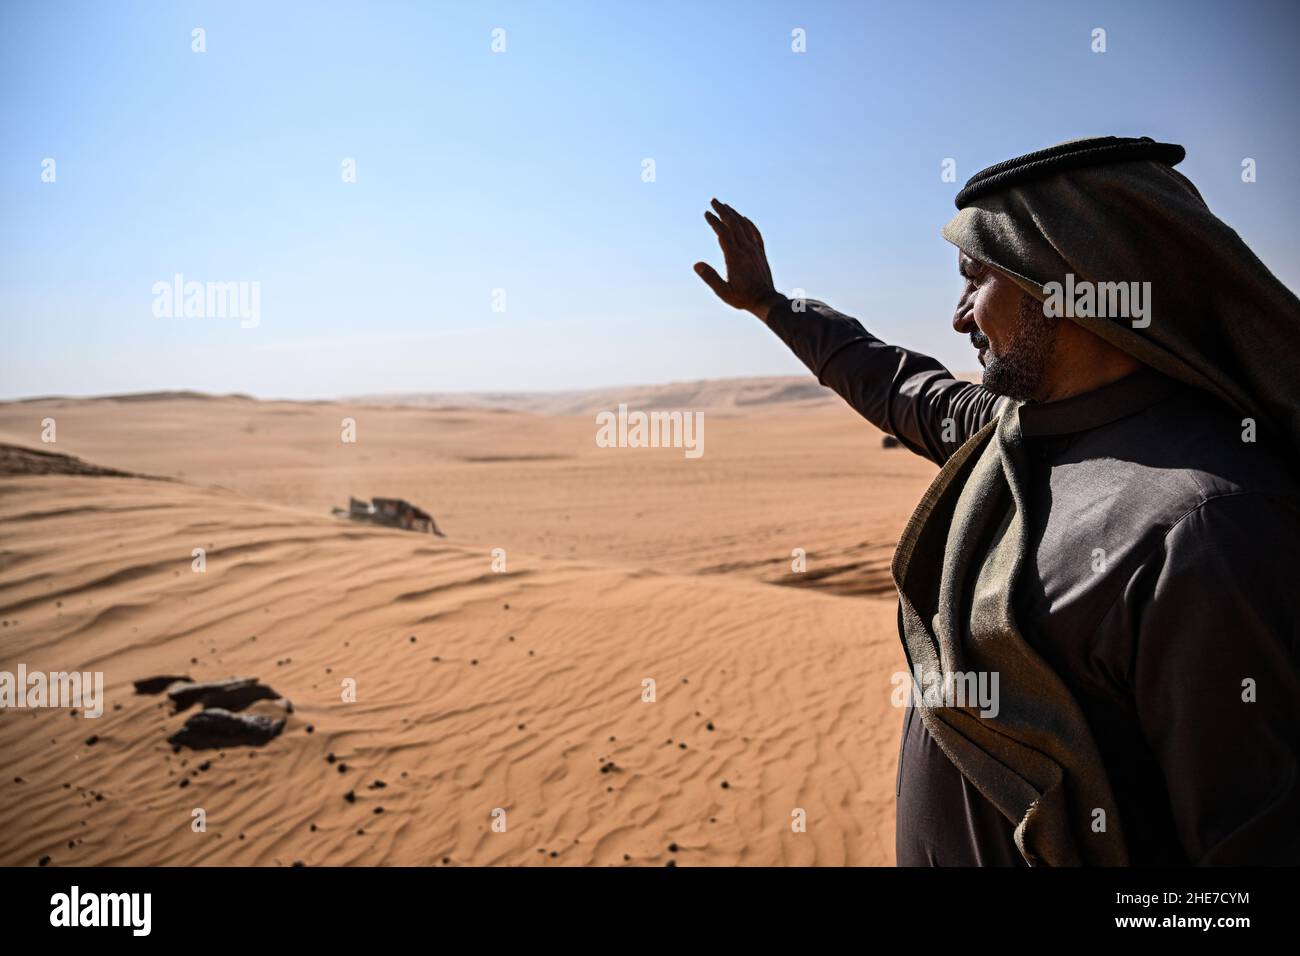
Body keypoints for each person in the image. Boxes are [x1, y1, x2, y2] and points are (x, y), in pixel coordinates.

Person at [694, 136, 1300, 866]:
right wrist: (774, 306)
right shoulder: (1010, 433)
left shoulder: (1208, 525)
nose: (957, 317)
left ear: (1070, 281)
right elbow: (897, 387)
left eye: (974, 279)